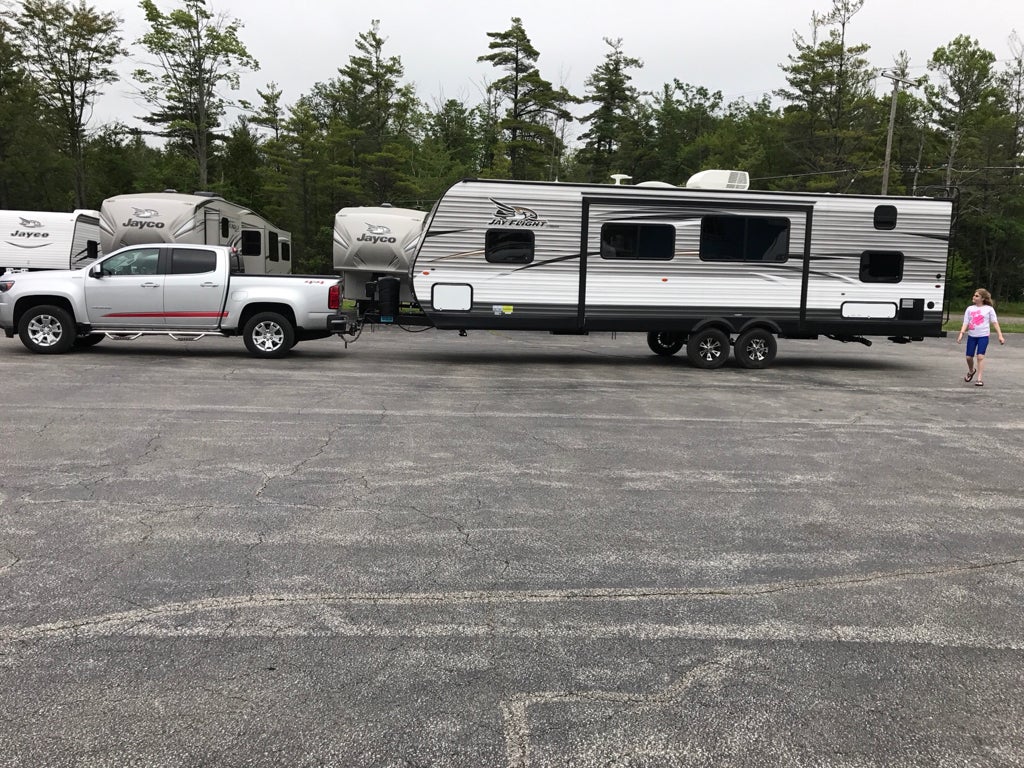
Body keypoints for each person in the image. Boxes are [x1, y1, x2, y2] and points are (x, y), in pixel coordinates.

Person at [956, 288, 1005, 387]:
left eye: (977, 296)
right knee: (969, 357)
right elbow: (966, 322)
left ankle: (979, 379)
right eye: (974, 295)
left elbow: (995, 323)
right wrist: (961, 333)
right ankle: (971, 371)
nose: (974, 297)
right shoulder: (970, 309)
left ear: (983, 298)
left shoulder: (989, 309)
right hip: (972, 336)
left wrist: (1000, 335)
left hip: (983, 336)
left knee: (980, 357)